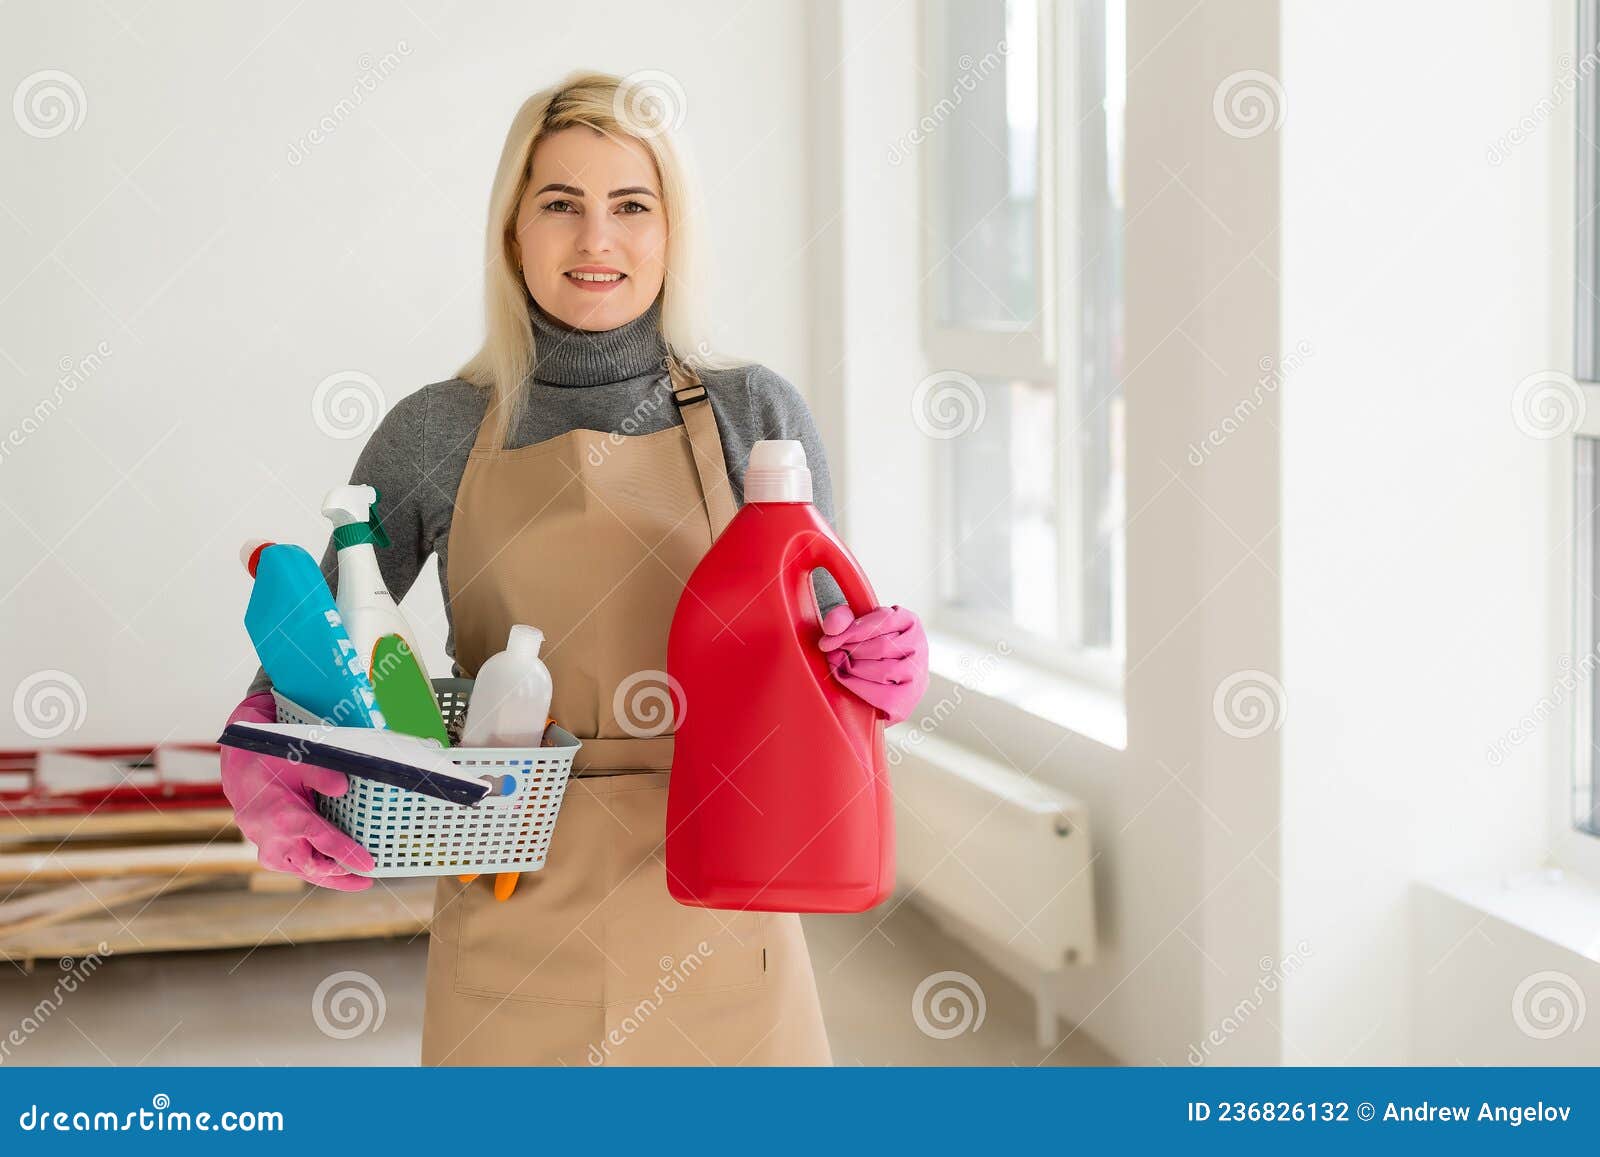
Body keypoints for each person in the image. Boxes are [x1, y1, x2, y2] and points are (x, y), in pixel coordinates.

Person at [219, 70, 929, 1066]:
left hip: (724, 888)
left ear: (670, 230)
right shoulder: (435, 430)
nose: (597, 240)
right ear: (514, 230)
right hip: (509, 895)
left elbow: (829, 647)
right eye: (561, 205)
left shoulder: (751, 414)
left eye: (631, 205)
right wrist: (267, 762)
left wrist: (880, 667)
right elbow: (311, 656)